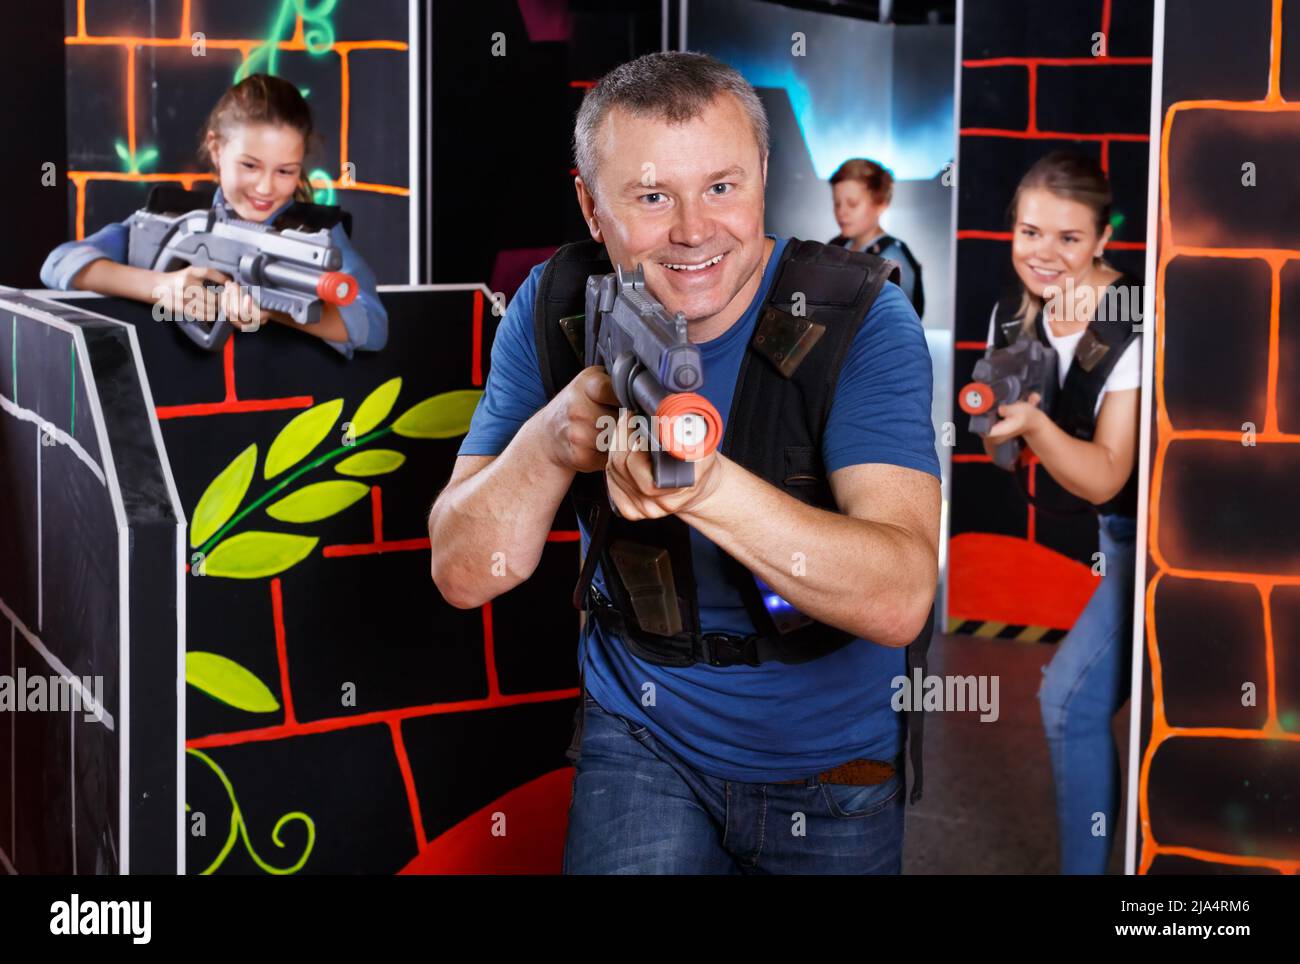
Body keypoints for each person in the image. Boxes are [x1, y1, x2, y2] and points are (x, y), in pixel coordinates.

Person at [427, 52, 939, 874]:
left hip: (830, 766)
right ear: (592, 207)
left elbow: (902, 596)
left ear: (766, 176)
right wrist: (557, 436)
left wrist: (704, 486)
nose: (695, 231)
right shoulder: (559, 302)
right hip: (641, 735)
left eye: (723, 187)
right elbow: (463, 572)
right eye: (653, 196)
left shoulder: (860, 315)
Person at [978, 150, 1142, 874]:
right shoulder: (1014, 313)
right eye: (1029, 233)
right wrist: (1000, 422)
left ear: (1103, 238)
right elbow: (995, 442)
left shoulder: (1134, 320)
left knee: (1070, 703)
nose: (1044, 255)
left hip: (1154, 544)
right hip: (1112, 534)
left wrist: (1036, 427)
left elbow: (1107, 475)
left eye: (1068, 239)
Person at [39, 73, 387, 358]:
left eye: (285, 171)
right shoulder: (175, 216)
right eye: (250, 165)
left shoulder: (315, 235)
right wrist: (163, 286)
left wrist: (272, 307)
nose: (265, 187)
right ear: (217, 149)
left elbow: (371, 325)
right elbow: (59, 263)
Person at [828, 158, 924, 317]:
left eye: (852, 204)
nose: (842, 212)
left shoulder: (894, 258)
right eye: (837, 203)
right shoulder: (835, 245)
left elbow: (900, 325)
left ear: (881, 204)